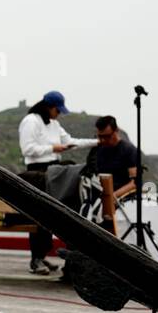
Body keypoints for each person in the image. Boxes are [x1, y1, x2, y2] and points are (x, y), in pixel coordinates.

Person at [18, 91, 98, 275]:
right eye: (57, 110)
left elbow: (71, 142)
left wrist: (96, 142)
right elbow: (27, 149)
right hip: (36, 171)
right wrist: (53, 148)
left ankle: (43, 254)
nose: (59, 114)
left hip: (54, 170)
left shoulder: (55, 124)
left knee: (50, 214)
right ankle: (36, 258)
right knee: (39, 214)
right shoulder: (31, 121)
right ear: (48, 107)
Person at [93, 115, 139, 199]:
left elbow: (135, 183)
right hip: (101, 198)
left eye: (107, 136)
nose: (103, 140)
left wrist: (112, 197)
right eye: (100, 136)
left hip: (123, 199)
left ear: (116, 131)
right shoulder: (98, 149)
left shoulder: (129, 150)